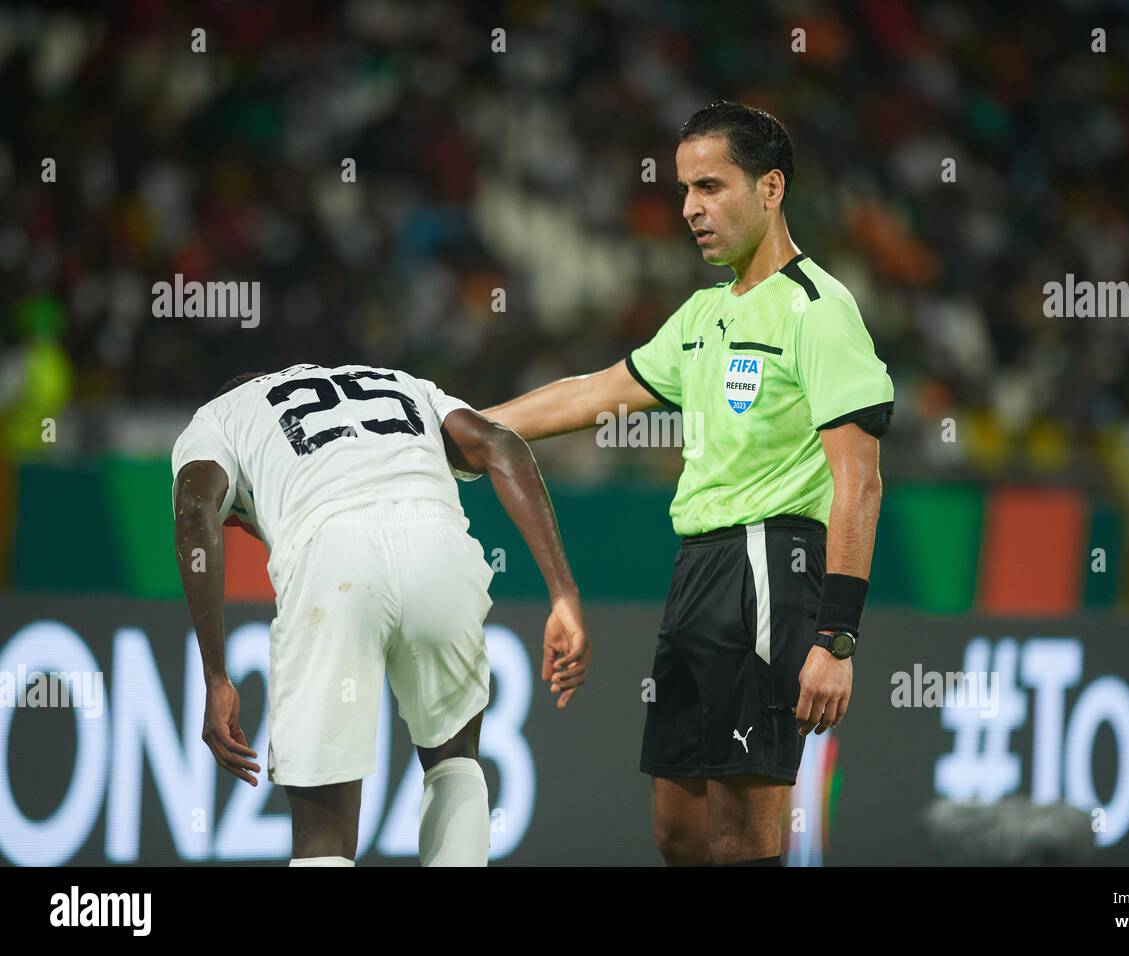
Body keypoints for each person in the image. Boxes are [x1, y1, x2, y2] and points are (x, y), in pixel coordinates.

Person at [483, 101, 893, 865]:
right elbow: (593, 393)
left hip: (771, 568)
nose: (689, 209)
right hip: (698, 572)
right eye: (683, 190)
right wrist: (463, 430)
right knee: (680, 832)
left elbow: (860, 485)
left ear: (770, 189)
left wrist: (837, 638)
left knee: (744, 833)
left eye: (710, 187)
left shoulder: (818, 311)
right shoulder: (705, 313)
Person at [171, 362, 589, 866]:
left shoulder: (218, 418)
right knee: (454, 760)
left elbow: (195, 511)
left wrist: (216, 676)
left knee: (323, 832)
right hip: (440, 547)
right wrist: (562, 594)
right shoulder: (401, 380)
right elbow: (502, 444)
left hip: (332, 560)